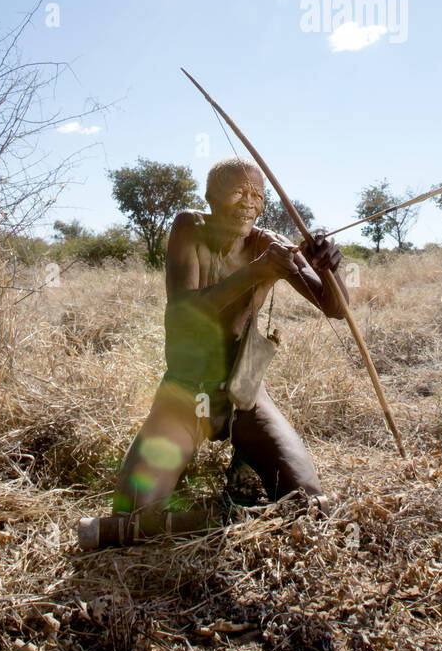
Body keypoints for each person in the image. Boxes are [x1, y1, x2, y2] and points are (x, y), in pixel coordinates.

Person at [112, 156, 346, 517]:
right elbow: (182, 317)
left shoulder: (270, 247)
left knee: (308, 504)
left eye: (257, 195)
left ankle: (246, 457)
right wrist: (255, 273)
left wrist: (329, 267)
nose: (249, 203)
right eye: (238, 192)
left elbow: (335, 308)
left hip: (245, 394)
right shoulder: (189, 227)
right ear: (210, 197)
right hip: (187, 389)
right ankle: (226, 494)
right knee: (134, 512)